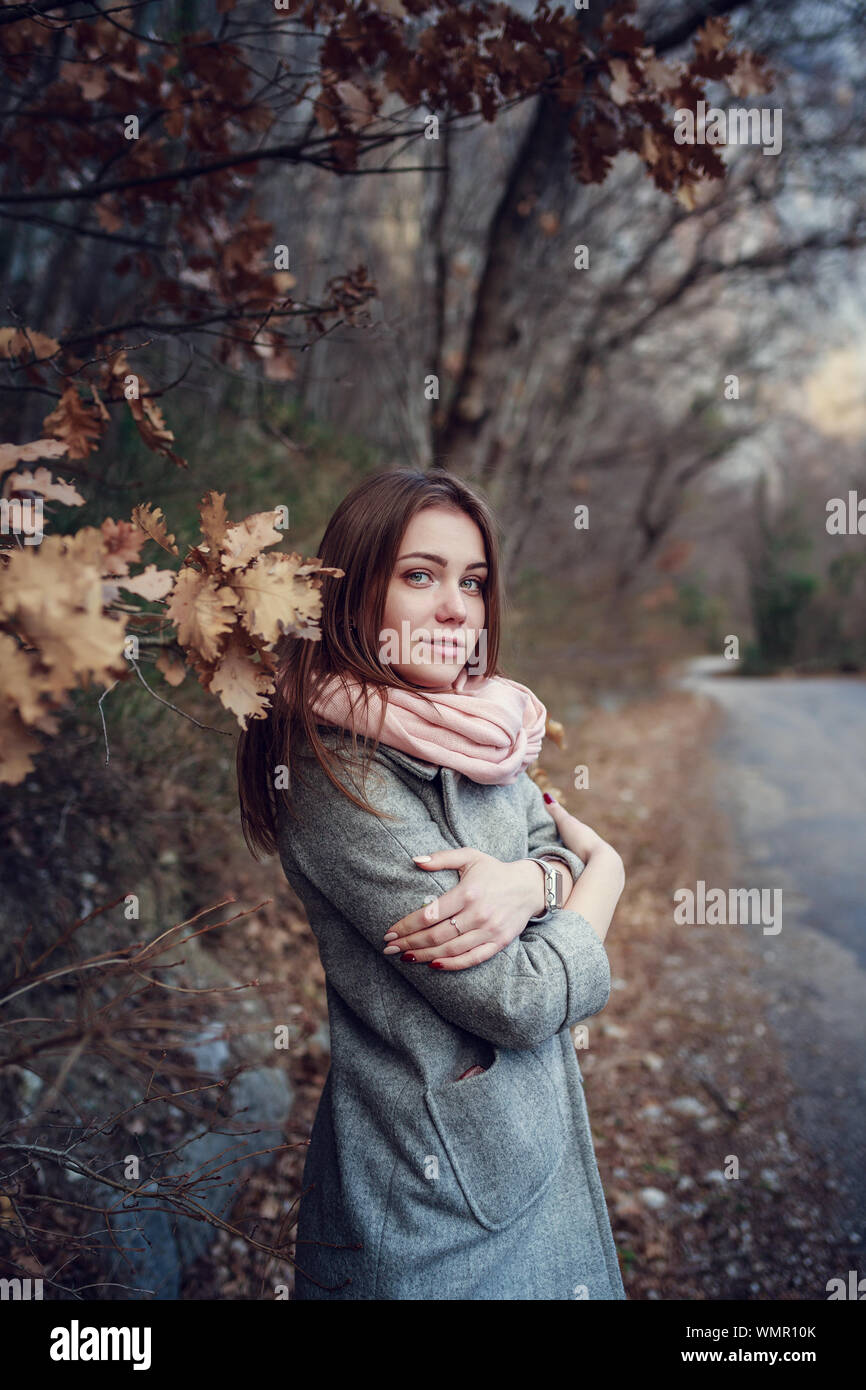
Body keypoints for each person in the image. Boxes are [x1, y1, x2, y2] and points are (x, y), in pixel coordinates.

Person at [236, 467, 627, 1300]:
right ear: (353, 595)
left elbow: (543, 846)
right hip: (431, 1203)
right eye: (421, 576)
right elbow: (516, 999)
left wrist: (535, 885)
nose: (456, 607)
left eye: (473, 582)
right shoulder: (334, 773)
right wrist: (608, 876)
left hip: (519, 1153)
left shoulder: (475, 727)